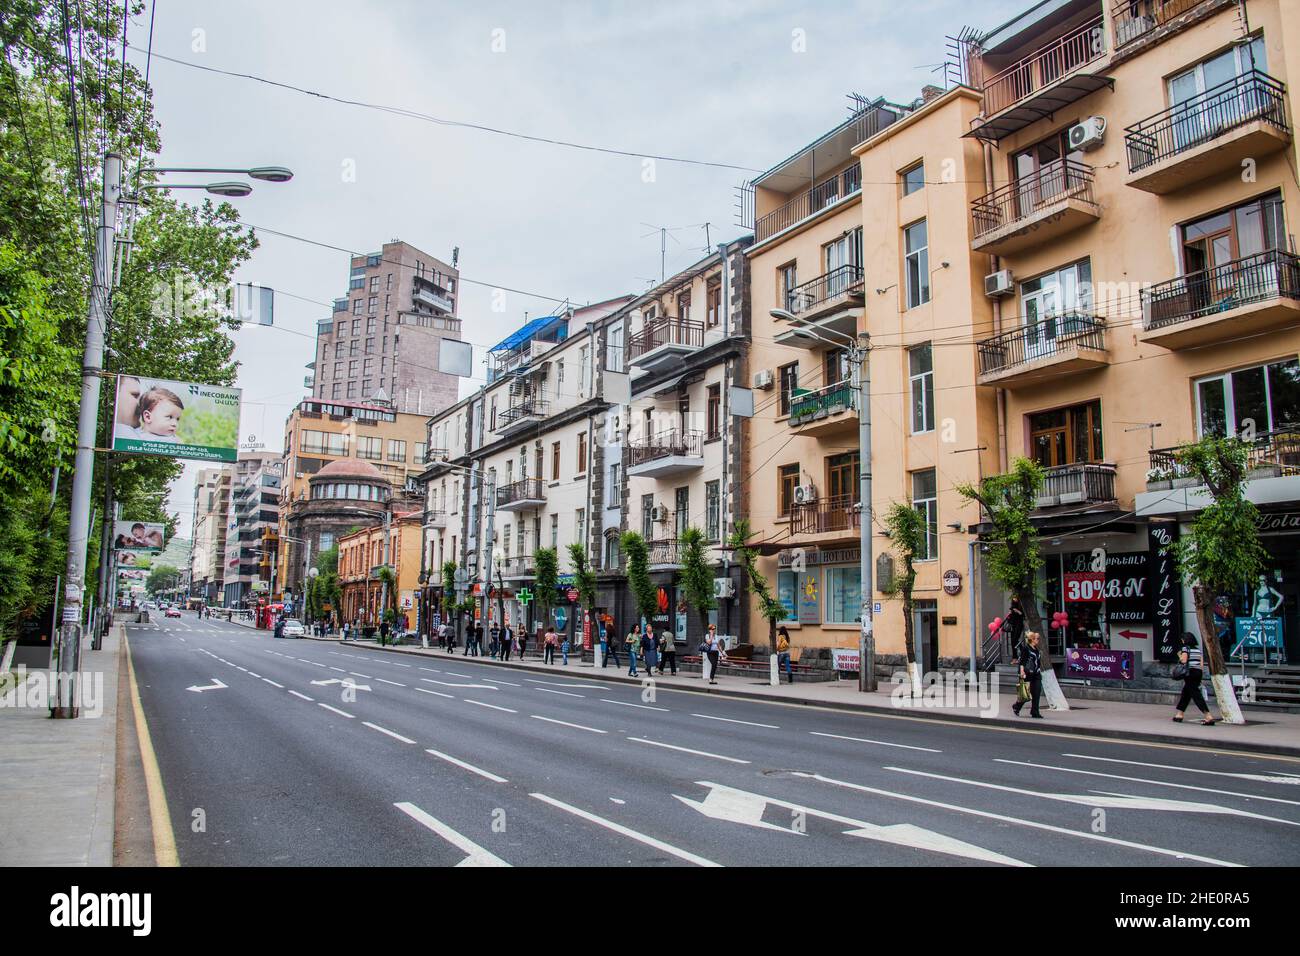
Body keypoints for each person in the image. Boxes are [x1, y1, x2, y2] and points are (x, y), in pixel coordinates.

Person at [1173, 632, 1218, 725]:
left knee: (1196, 694)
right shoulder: (1198, 650)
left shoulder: (1185, 648)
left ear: (1185, 640)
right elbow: (1201, 665)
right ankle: (1179, 714)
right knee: (1186, 693)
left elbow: (1184, 660)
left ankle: (1208, 716)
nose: (1182, 641)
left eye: (1182, 639)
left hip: (1190, 673)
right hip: (1198, 672)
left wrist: (1180, 656)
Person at [1013, 630, 1044, 718]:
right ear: (1032, 639)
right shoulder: (1026, 649)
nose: (1038, 640)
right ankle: (1016, 706)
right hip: (1027, 674)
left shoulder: (1036, 649)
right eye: (1037, 639)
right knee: (1025, 694)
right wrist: (1022, 672)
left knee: (1036, 693)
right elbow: (1022, 662)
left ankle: (1035, 712)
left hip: (1036, 674)